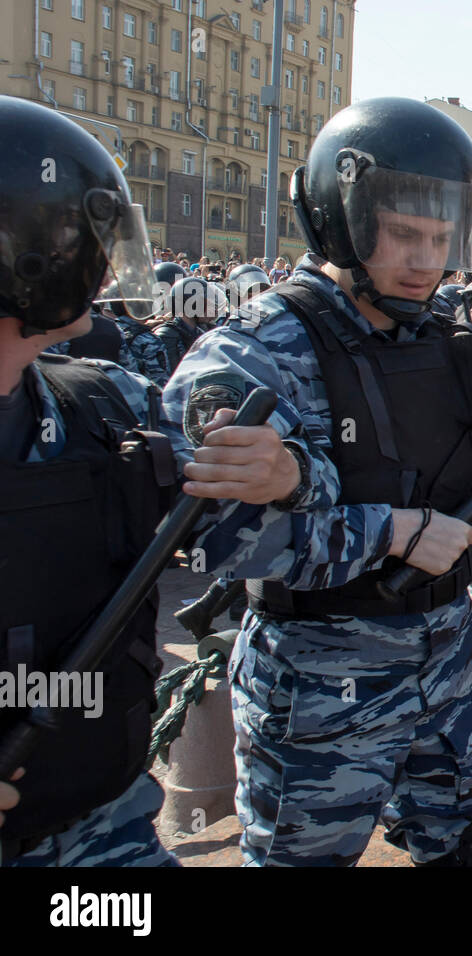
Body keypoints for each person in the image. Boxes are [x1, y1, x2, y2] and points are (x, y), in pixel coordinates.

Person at [160, 97, 472, 867]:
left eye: (440, 238)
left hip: (448, 666)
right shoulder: (256, 352)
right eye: (403, 235)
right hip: (321, 687)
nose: (427, 261)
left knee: (470, 853)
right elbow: (218, 542)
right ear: (340, 221)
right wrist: (391, 531)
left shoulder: (456, 343)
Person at [0, 96, 178, 867]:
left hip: (101, 828)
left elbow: (244, 538)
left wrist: (284, 474)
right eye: (81, 236)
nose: (101, 262)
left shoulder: (106, 402)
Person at [155, 275, 225, 370]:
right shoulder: (167, 335)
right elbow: (172, 375)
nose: (214, 307)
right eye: (207, 302)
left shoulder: (202, 330)